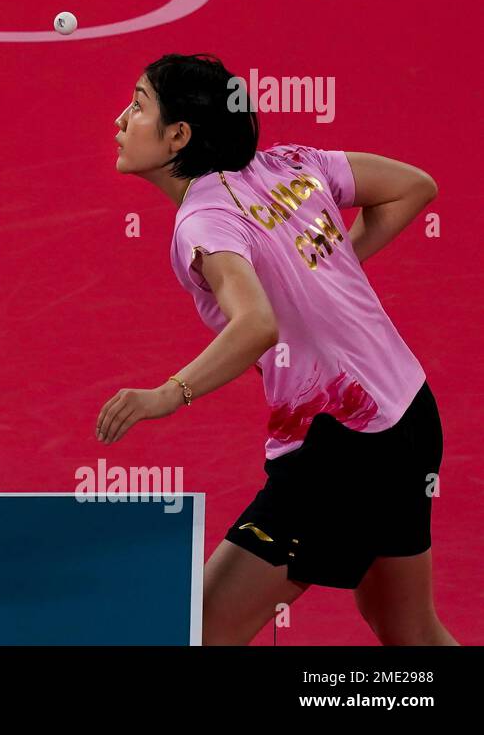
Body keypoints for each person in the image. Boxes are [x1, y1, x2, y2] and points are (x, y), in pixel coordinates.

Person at [97, 52, 457, 646]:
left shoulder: (204, 222)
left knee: (201, 632)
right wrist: (314, 274)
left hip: (343, 450)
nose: (120, 119)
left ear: (179, 136)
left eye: (138, 106)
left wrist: (169, 394)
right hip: (412, 415)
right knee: (409, 631)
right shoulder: (292, 165)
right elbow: (414, 188)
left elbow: (256, 325)